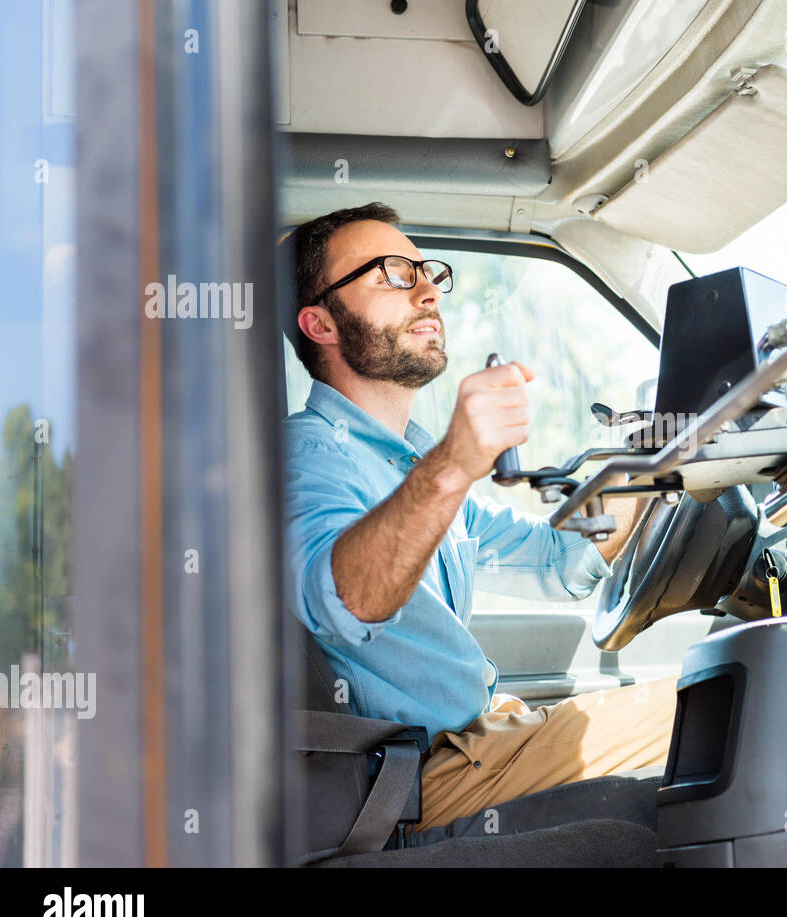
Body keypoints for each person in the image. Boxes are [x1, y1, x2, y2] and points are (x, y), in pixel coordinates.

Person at [280, 203, 677, 832]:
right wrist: (455, 462)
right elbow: (343, 596)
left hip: (483, 738)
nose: (428, 290)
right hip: (414, 781)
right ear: (320, 322)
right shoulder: (303, 458)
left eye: (427, 272)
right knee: (728, 715)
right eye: (391, 274)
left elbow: (557, 562)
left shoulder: (406, 466)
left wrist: (640, 465)